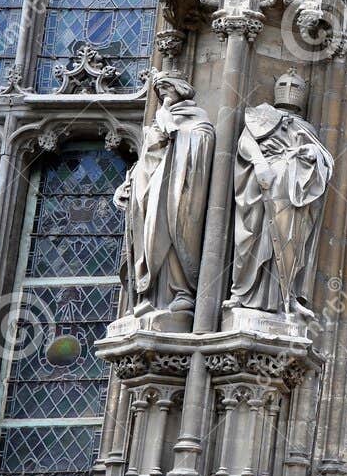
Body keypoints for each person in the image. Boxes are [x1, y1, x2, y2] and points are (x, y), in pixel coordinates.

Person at [228, 70, 334, 320]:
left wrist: (312, 153)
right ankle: (243, 294)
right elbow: (246, 142)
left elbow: (324, 160)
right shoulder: (260, 114)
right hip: (261, 185)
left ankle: (285, 297)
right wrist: (259, 163)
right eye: (284, 83)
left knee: (290, 239)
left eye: (295, 85)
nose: (289, 87)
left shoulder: (304, 127)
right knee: (252, 237)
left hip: (290, 192)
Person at [114, 71, 214, 317]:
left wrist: (172, 128)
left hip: (179, 188)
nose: (163, 95)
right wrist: (130, 183)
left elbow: (201, 145)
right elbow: (148, 156)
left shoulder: (197, 119)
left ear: (181, 89)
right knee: (149, 235)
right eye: (159, 92)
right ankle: (148, 295)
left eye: (167, 89)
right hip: (151, 189)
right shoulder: (159, 118)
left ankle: (180, 291)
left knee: (174, 231)